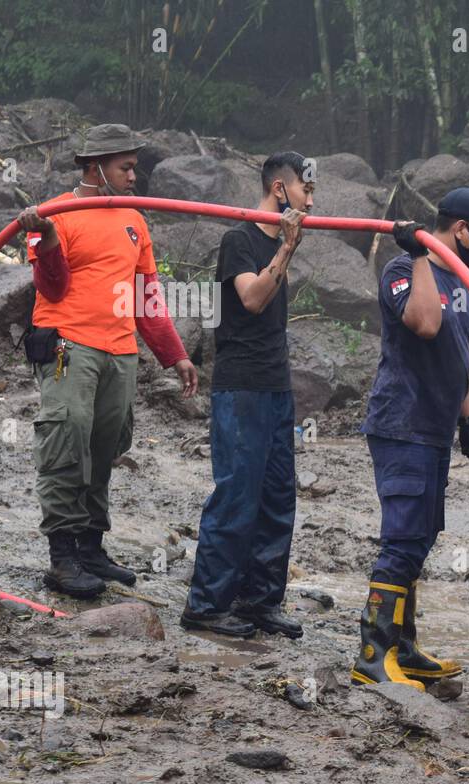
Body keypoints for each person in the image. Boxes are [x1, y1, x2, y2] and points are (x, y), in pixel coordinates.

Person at [19, 123, 197, 599]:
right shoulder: (54, 215)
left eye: (134, 168)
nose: (134, 177)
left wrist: (174, 354)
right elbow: (51, 288)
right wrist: (49, 240)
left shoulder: (135, 221)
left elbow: (146, 298)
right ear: (96, 167)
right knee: (67, 432)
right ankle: (62, 557)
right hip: (67, 346)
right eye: (127, 168)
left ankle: (91, 546)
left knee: (105, 442)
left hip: (120, 351)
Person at [350, 187, 469, 689]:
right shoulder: (403, 271)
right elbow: (424, 323)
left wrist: (467, 419)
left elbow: (456, 355)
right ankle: (371, 656)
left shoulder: (463, 280)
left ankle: (404, 646)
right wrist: (419, 252)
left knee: (421, 537)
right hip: (403, 423)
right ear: (461, 229)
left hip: (436, 429)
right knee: (402, 541)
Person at [181, 153, 314, 638]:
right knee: (237, 494)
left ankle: (260, 601)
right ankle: (206, 604)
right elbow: (253, 299)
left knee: (278, 497)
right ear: (280, 190)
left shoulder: (277, 240)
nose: (311, 200)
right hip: (241, 388)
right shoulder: (239, 238)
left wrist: (286, 245)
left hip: (276, 387)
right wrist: (287, 248)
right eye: (305, 189)